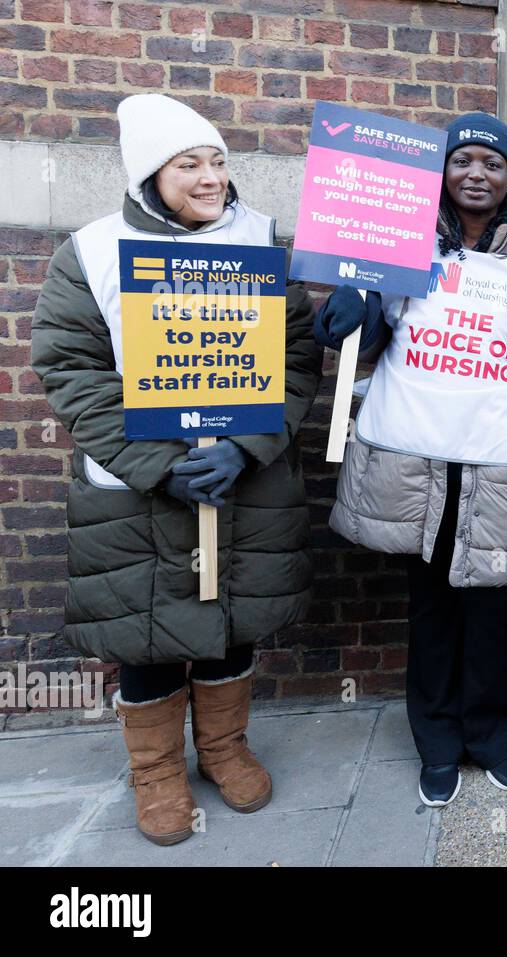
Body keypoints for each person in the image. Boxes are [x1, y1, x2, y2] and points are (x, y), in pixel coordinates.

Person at [30, 94, 322, 845]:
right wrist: (159, 463)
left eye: (218, 161)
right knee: (150, 630)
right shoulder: (92, 252)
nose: (210, 177)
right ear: (152, 174)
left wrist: (247, 445)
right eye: (189, 163)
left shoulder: (259, 243)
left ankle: (224, 746)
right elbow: (73, 370)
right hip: (139, 488)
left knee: (232, 622)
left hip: (238, 479)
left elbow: (293, 361)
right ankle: (156, 769)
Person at [317, 113, 507, 808]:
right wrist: (352, 308)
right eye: (462, 159)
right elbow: (362, 348)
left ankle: (493, 735)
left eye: (493, 164)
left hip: (497, 470)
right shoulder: (398, 251)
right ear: (441, 172)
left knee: (495, 613)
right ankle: (436, 741)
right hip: (413, 469)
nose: (476, 173)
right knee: (431, 610)